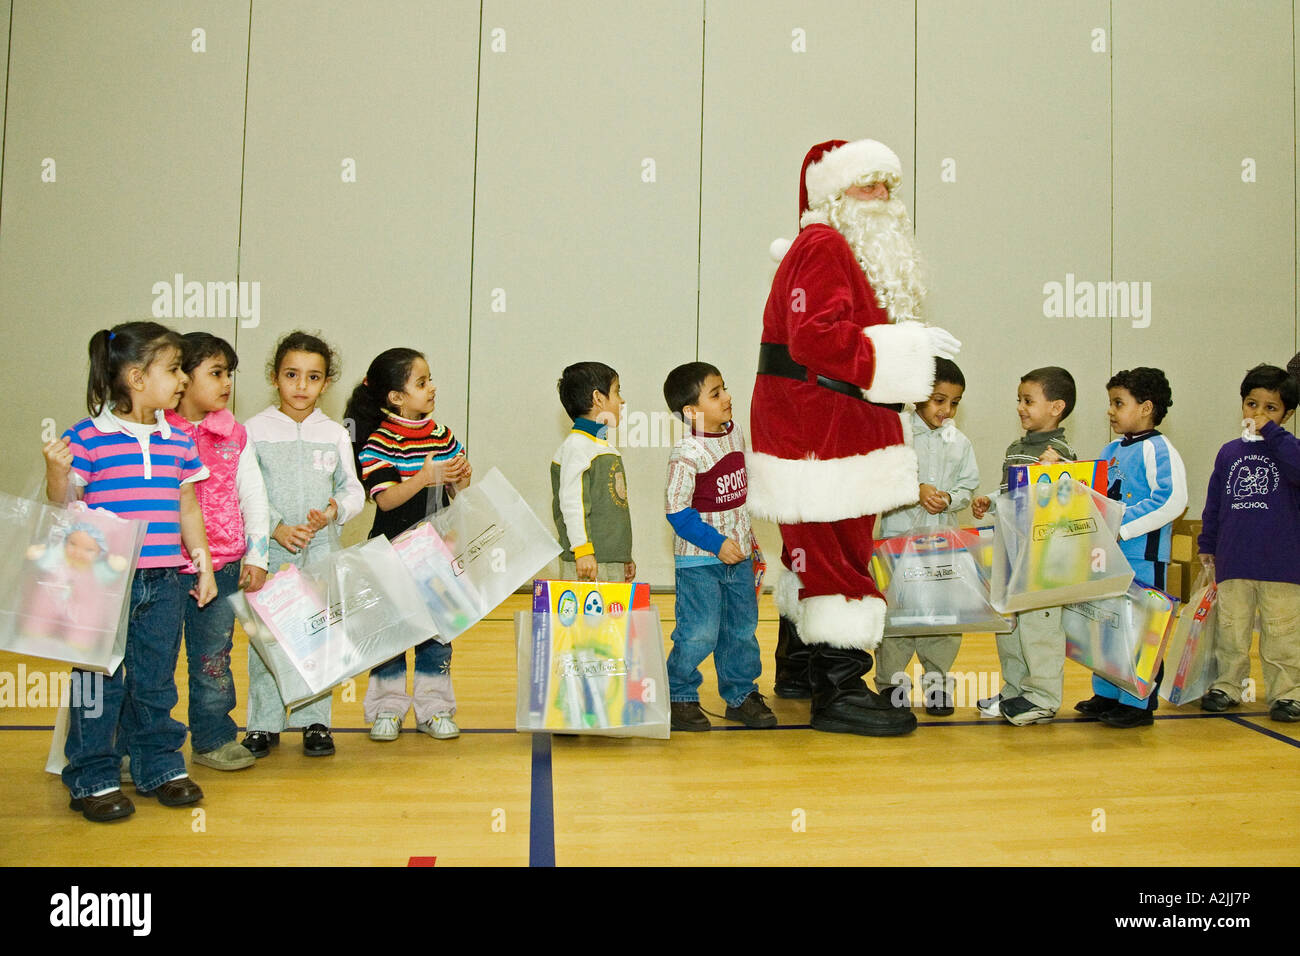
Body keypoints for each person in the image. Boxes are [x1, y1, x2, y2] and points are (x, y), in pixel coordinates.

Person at [749, 138, 960, 737]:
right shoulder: (825, 243)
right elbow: (815, 338)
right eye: (868, 185)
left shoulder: (833, 247)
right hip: (822, 433)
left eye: (887, 185)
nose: (883, 198)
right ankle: (840, 692)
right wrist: (907, 349)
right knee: (839, 556)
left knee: (813, 552)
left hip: (819, 426)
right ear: (834, 195)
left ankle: (802, 669)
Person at [43, 321, 216, 821]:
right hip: (104, 582)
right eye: (175, 368)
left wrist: (201, 565)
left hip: (165, 580)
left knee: (156, 680)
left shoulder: (179, 441)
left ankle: (160, 765)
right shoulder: (87, 437)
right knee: (99, 683)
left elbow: (188, 508)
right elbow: (64, 507)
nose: (183, 378)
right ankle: (93, 775)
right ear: (138, 378)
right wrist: (59, 475)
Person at [241, 331, 364, 758]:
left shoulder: (333, 433)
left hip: (319, 551)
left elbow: (354, 492)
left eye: (313, 377)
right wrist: (275, 528)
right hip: (269, 552)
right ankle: (262, 723)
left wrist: (332, 511)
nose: (301, 386)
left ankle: (315, 721)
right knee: (266, 637)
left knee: (317, 635)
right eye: (292, 374)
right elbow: (244, 492)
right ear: (275, 377)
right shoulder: (252, 430)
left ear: (326, 383)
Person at [345, 348, 471, 742]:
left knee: (438, 636)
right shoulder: (379, 441)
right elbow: (385, 499)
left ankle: (434, 709)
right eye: (421, 382)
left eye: (430, 378)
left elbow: (458, 486)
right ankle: (387, 708)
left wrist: (459, 476)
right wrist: (425, 475)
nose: (431, 387)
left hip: (437, 554)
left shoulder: (441, 434)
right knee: (393, 634)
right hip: (392, 553)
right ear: (396, 397)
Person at [165, 332, 270, 770]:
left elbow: (254, 495)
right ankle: (142, 744)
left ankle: (213, 737)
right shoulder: (158, 433)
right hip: (164, 566)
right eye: (215, 373)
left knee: (213, 658)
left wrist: (257, 555)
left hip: (224, 563)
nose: (226, 382)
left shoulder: (234, 434)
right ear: (181, 378)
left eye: (229, 373)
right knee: (153, 661)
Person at [661, 362, 776, 732]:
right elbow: (677, 512)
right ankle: (678, 693)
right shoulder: (686, 452)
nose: (728, 397)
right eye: (716, 393)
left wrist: (745, 542)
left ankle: (741, 694)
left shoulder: (735, 433)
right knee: (700, 632)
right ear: (691, 413)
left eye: (724, 388)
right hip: (700, 564)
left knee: (741, 630)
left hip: (739, 559)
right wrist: (718, 543)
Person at [1073, 367, 1187, 728]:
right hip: (1109, 556)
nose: (1110, 410)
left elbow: (1172, 499)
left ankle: (1138, 702)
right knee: (1106, 626)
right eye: (1110, 402)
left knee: (1141, 629)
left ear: (1145, 407)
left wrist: (1121, 526)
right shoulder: (1110, 450)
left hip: (1143, 557)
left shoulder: (1159, 449)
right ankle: (1107, 692)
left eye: (1118, 403)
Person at [971, 366, 1078, 725]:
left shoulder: (1060, 452)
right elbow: (1011, 494)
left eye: (1029, 400)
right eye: (1019, 399)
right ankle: (1015, 688)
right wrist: (989, 501)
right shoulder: (1017, 448)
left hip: (1044, 561)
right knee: (1010, 628)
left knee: (1040, 628)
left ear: (1056, 407)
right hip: (1012, 553)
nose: (1020, 407)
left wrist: (1059, 469)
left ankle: (1043, 696)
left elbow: (1072, 495)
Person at [873, 358, 979, 717]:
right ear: (918, 396)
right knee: (897, 616)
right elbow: (881, 478)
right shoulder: (896, 430)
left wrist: (949, 498)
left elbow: (967, 486)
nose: (946, 410)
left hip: (942, 546)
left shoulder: (960, 442)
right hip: (898, 542)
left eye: (954, 403)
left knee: (943, 616)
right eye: (938, 400)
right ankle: (891, 684)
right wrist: (913, 489)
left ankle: (937, 682)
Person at [1198, 364, 1300, 723]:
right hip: (1235, 561)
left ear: (1287, 414)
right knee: (1231, 631)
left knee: (1282, 634)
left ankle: (1287, 694)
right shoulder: (1229, 452)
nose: (1258, 415)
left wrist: (1273, 434)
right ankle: (1228, 685)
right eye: (1251, 404)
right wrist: (1207, 544)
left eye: (1270, 408)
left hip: (1282, 565)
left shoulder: (1290, 451)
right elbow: (1215, 504)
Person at [551, 362, 634, 583]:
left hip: (608, 559)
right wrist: (582, 549)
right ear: (598, 398)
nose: (622, 401)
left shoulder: (603, 447)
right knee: (585, 618)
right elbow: (572, 502)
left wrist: (623, 556)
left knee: (611, 618)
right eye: (617, 392)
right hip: (588, 561)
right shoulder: (577, 446)